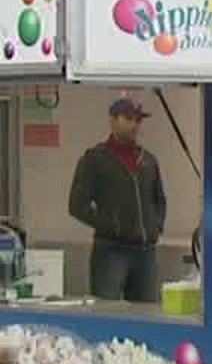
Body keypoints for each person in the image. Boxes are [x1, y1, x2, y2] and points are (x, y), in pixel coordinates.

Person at [68, 97, 167, 303]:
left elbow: (159, 199)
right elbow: (77, 205)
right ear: (113, 120)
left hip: (145, 252)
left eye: (138, 120)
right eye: (129, 118)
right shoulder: (95, 159)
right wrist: (111, 225)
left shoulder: (148, 160)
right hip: (111, 251)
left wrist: (156, 226)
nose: (135, 125)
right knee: (107, 310)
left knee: (146, 314)